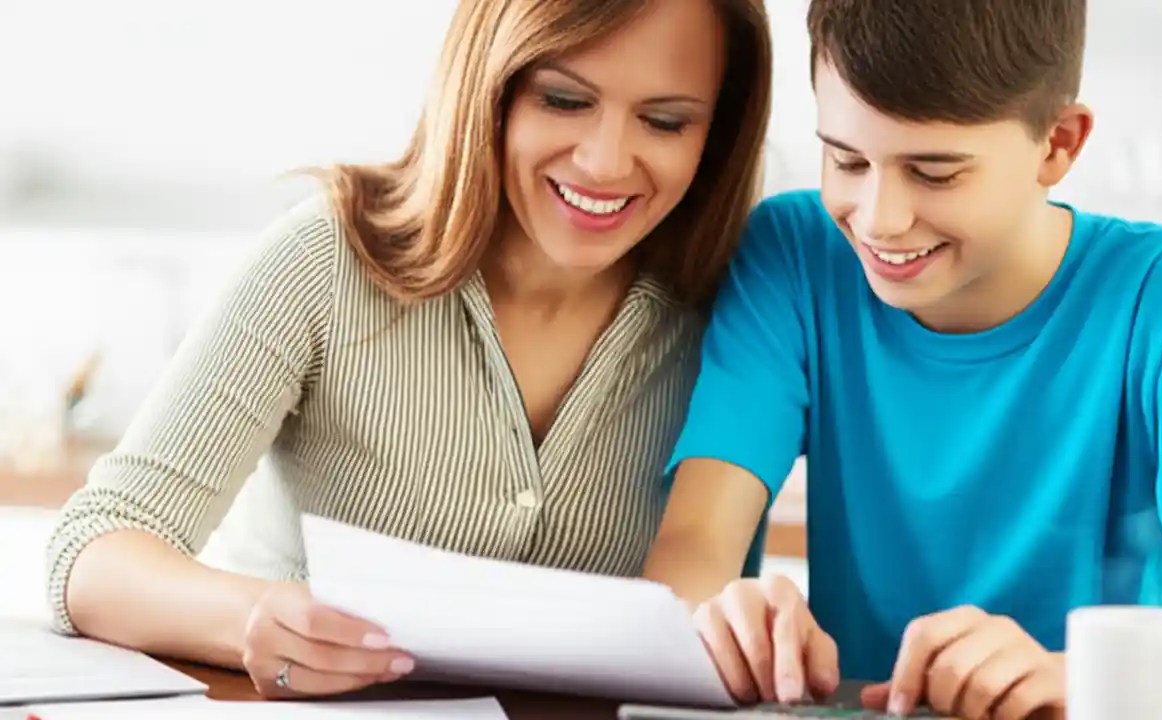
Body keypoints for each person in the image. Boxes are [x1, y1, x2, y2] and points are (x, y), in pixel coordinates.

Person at [45, 0, 771, 700]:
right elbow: (93, 549)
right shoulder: (327, 259)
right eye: (563, 101)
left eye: (665, 121)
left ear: (717, 134)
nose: (605, 161)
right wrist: (247, 619)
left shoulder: (736, 320)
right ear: (488, 86)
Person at [642, 0, 1162, 718]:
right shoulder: (793, 255)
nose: (879, 218)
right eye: (846, 159)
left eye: (936, 172)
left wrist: (1069, 674)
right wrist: (719, 620)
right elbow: (696, 542)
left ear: (1058, 145)